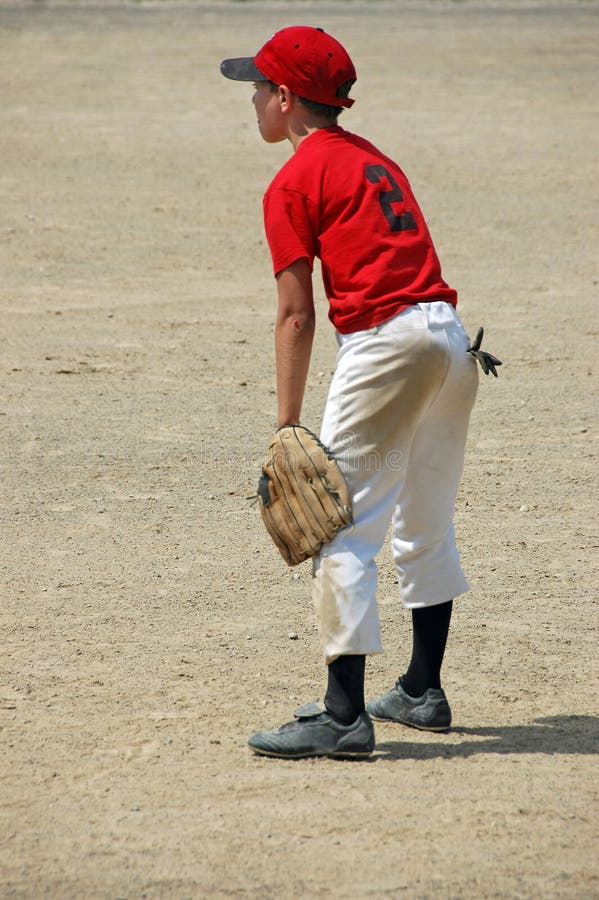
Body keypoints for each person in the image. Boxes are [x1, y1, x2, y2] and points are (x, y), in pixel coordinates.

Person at [220, 26, 480, 759]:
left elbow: (296, 313)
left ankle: (341, 715)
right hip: (449, 337)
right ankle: (422, 690)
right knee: (421, 521)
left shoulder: (292, 180)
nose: (250, 102)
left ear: (283, 97)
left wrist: (285, 425)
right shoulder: (374, 158)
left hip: (388, 345)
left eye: (256, 88)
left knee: (339, 527)